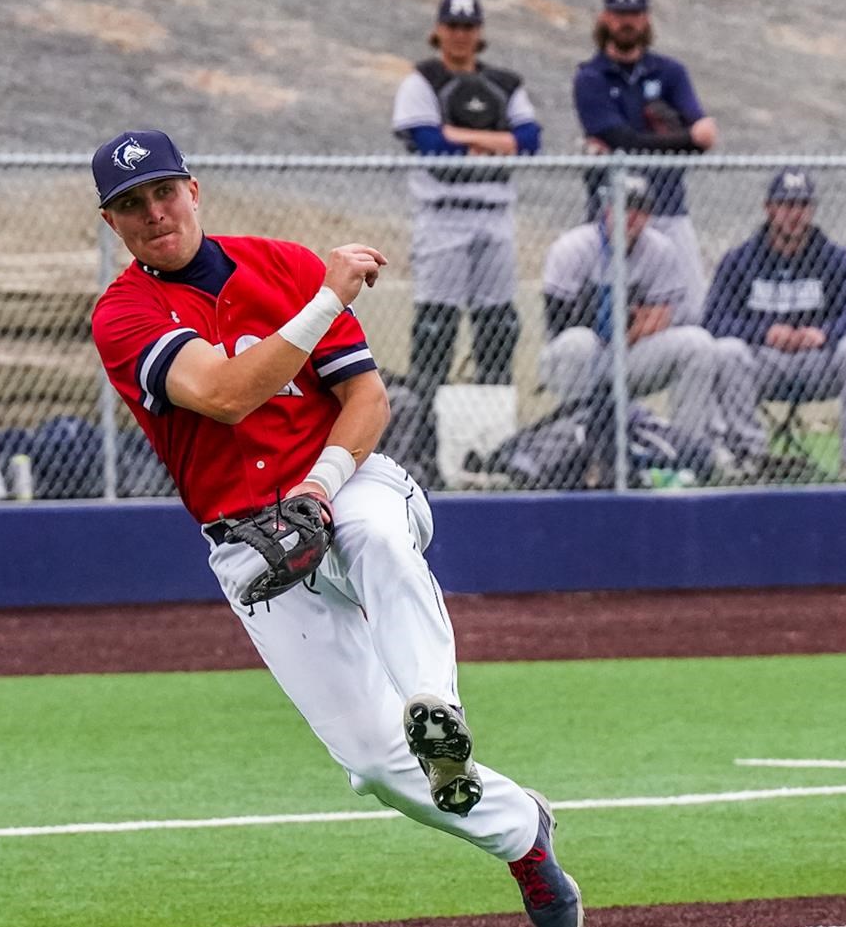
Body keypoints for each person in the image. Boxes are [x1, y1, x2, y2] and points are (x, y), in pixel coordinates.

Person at [86, 130, 580, 927]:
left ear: (195, 189)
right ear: (113, 224)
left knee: (378, 537)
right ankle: (526, 835)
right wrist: (329, 299)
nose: (153, 212)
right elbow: (223, 394)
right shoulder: (125, 313)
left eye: (164, 191)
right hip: (250, 546)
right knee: (378, 766)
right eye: (130, 204)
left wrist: (320, 485)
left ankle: (436, 709)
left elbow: (368, 401)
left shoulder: (279, 263)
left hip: (344, 481)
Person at [391, 0, 542, 482]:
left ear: (479, 31)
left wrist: (464, 137)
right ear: (439, 30)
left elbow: (530, 141)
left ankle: (492, 444)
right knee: (435, 328)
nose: (460, 35)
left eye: (468, 26)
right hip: (443, 215)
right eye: (452, 26)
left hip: (494, 213)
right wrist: (493, 144)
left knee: (498, 325)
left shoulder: (503, 83)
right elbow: (431, 145)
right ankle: (425, 448)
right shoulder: (423, 81)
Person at [705, 169, 846, 474]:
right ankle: (751, 456)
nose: (794, 214)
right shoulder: (741, 259)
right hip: (764, 363)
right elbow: (714, 321)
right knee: (726, 352)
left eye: (802, 206)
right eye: (786, 205)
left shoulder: (833, 258)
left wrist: (823, 333)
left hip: (817, 362)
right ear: (769, 208)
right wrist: (764, 333)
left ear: (812, 210)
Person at [537, 174, 722, 442]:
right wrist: (629, 319)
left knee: (698, 343)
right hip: (571, 359)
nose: (632, 216)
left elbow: (660, 318)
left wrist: (624, 333)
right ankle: (578, 449)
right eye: (624, 207)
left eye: (641, 209)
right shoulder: (572, 248)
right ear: (608, 208)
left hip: (628, 353)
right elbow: (558, 324)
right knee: (580, 342)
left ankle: (687, 450)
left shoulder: (659, 249)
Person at [572, 0, 717, 318]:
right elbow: (624, 140)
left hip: (667, 206)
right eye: (620, 13)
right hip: (614, 215)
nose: (627, 22)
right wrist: (684, 140)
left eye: (635, 13)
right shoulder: (591, 77)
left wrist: (688, 140)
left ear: (646, 19)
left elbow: (703, 137)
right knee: (613, 314)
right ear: (606, 18)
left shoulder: (670, 73)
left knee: (692, 312)